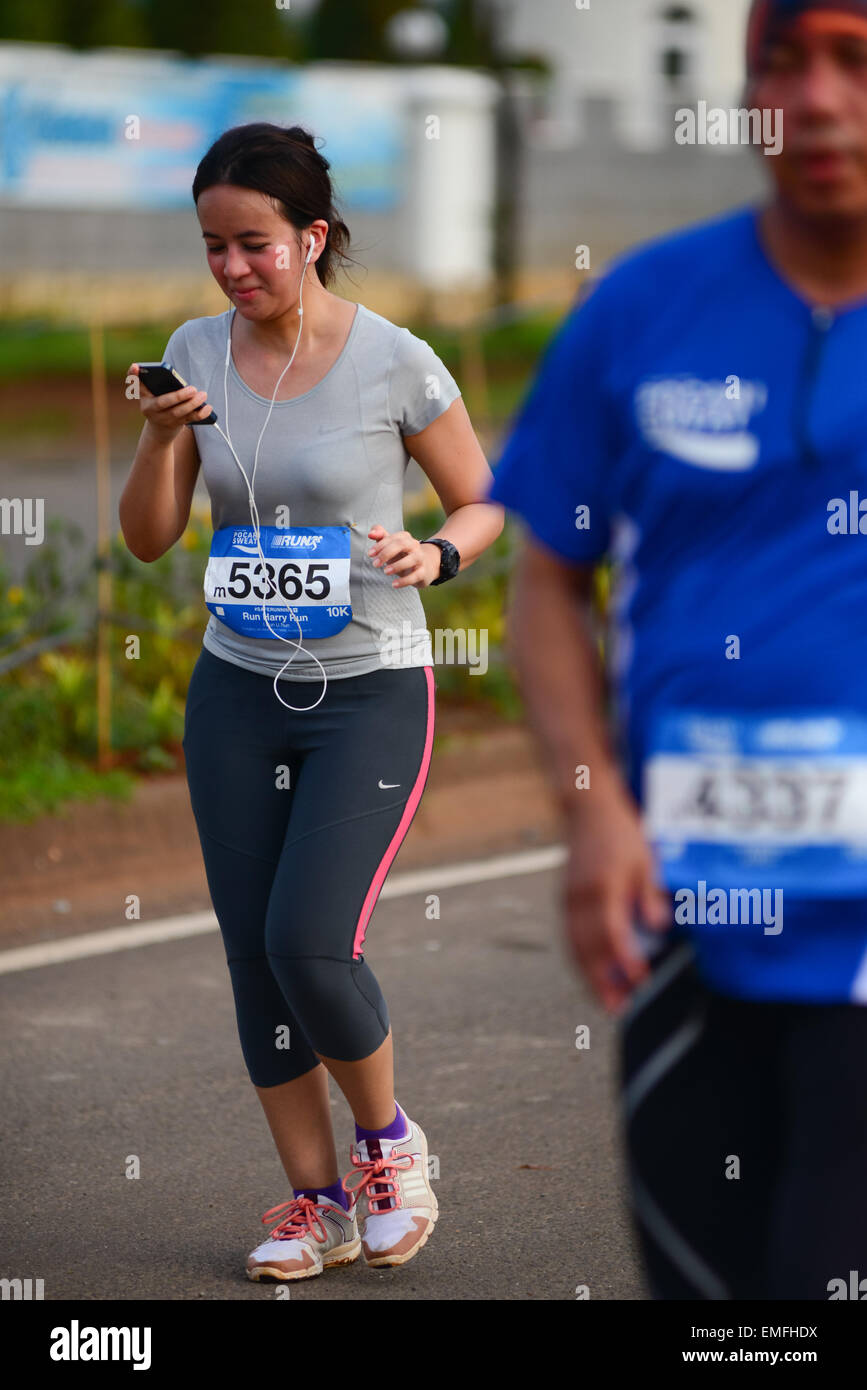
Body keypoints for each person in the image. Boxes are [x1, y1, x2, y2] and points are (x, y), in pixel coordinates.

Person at [485, 0, 867, 1300]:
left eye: (852, 61)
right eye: (780, 60)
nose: (813, 98)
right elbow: (546, 575)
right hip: (685, 931)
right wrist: (590, 813)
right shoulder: (644, 307)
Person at [120, 121, 503, 1281]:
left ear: (313, 237)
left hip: (368, 692)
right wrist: (154, 441)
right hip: (237, 690)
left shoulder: (396, 359)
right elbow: (149, 541)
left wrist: (437, 557)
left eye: (254, 243)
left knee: (309, 941)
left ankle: (389, 1143)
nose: (232, 268)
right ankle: (314, 1201)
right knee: (253, 957)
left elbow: (482, 500)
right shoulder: (194, 350)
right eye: (213, 246)